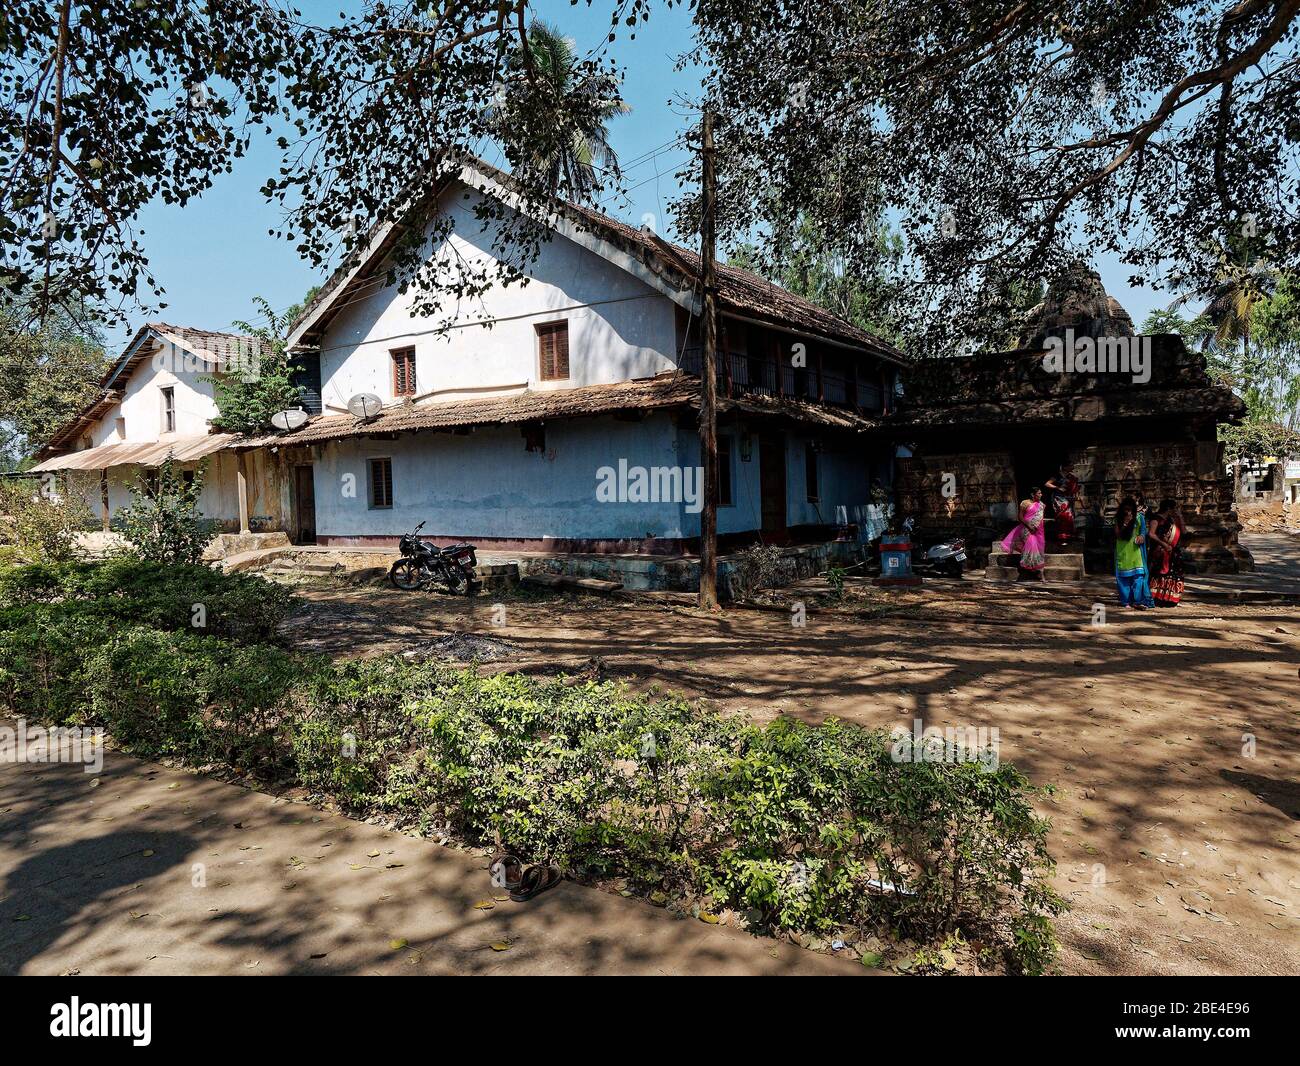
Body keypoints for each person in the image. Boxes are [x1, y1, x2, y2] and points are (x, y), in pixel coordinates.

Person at [1114, 496, 1152, 608]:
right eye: (1126, 509)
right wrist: (1125, 523)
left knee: (1138, 577)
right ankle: (1126, 601)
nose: (1128, 512)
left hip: (1136, 552)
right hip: (1123, 551)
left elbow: (1144, 531)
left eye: (1130, 509)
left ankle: (1138, 601)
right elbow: (1117, 535)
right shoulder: (1118, 519)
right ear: (1122, 509)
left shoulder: (1140, 517)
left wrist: (1141, 536)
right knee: (1123, 577)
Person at [1000, 487, 1047, 579]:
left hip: (1038, 531)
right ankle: (1039, 573)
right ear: (1033, 495)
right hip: (1027, 529)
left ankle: (1034, 570)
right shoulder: (1025, 503)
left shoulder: (1041, 505)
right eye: (1039, 493)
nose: (1041, 495)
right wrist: (1029, 526)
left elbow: (1040, 519)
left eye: (1041, 493)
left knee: (1038, 550)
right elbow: (1020, 517)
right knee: (1032, 548)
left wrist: (1036, 527)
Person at [1148, 498, 1186, 607]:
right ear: (1168, 509)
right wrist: (1163, 544)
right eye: (1174, 508)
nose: (1175, 510)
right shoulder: (1156, 518)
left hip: (1172, 552)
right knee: (1158, 573)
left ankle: (1169, 599)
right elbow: (1151, 534)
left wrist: (1180, 518)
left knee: (1172, 574)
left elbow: (1184, 532)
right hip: (1159, 551)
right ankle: (1155, 598)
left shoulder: (1172, 520)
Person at [1044, 463, 1080, 545]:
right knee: (1063, 516)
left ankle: (1069, 536)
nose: (1073, 466)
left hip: (1069, 498)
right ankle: (1062, 537)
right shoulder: (1058, 476)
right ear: (1065, 467)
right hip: (1059, 498)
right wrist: (1057, 487)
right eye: (1070, 465)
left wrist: (1076, 496)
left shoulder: (1072, 477)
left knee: (1070, 516)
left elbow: (1076, 488)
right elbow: (1047, 484)